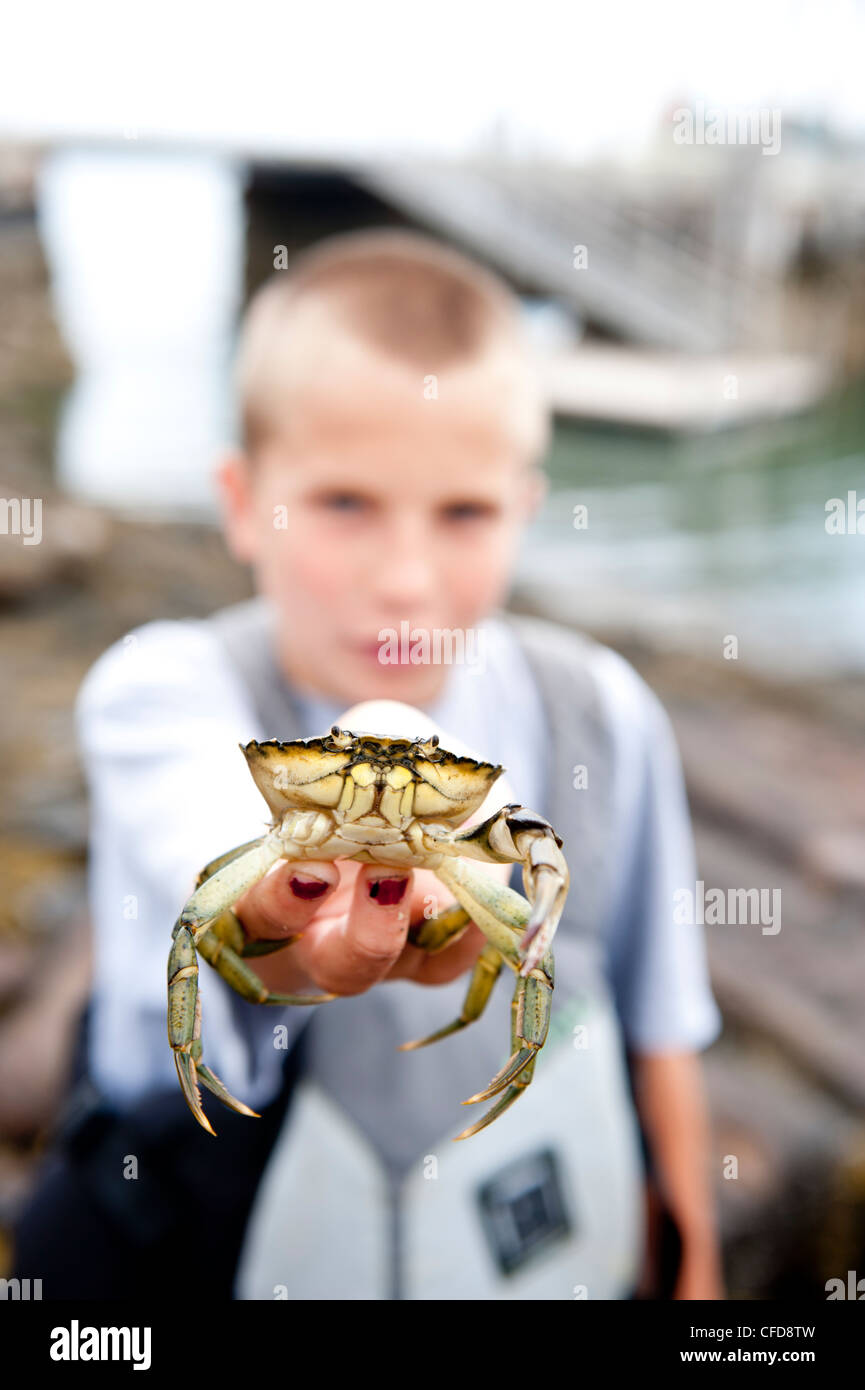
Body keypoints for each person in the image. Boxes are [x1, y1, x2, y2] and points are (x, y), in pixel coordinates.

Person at [12, 227, 723, 1300]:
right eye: (345, 502)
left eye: (463, 512)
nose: (404, 577)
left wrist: (696, 1267)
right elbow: (223, 865)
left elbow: (658, 1019)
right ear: (244, 501)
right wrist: (295, 925)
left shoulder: (602, 716)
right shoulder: (163, 690)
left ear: (524, 512)